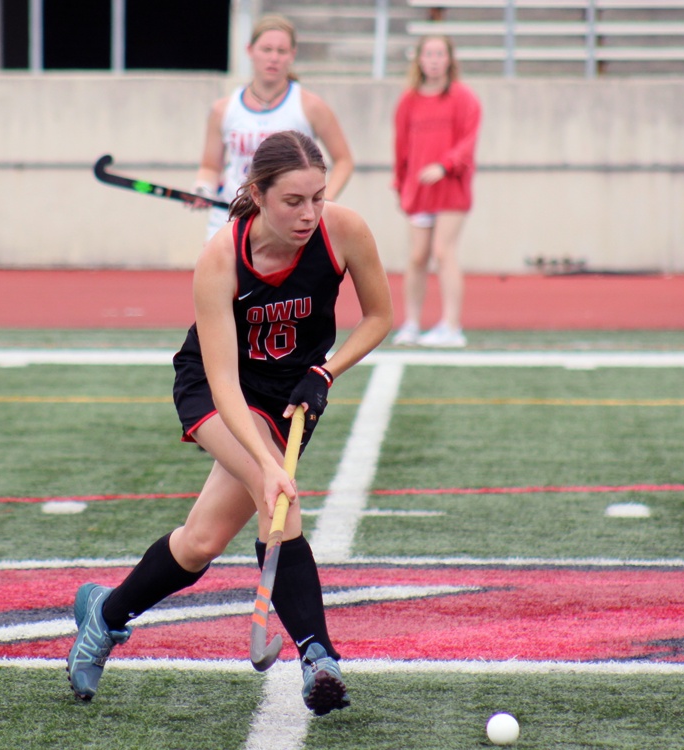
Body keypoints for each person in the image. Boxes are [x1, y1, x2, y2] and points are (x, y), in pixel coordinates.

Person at [68, 131, 392, 716]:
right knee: (278, 501)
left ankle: (105, 613)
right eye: (293, 201)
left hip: (291, 390)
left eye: (317, 198)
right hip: (220, 391)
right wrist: (266, 464)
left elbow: (379, 316)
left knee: (200, 543)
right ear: (258, 194)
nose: (309, 214)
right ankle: (320, 657)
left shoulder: (343, 230)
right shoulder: (221, 258)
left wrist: (326, 372)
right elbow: (222, 382)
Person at [193, 14, 354, 242]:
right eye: (266, 49)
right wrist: (203, 189)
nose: (273, 58)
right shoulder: (223, 109)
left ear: (292, 55)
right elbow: (210, 166)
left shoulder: (310, 106)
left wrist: (322, 200)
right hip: (231, 217)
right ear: (249, 50)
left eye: (281, 51)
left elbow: (344, 160)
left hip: (285, 222)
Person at [391, 34, 481, 348]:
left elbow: (467, 143)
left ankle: (451, 326)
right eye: (428, 53)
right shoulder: (408, 101)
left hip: (451, 189)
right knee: (417, 257)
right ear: (419, 59)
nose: (433, 59)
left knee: (444, 251)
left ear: (449, 59)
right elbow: (401, 147)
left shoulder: (463, 97)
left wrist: (444, 166)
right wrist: (400, 184)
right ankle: (412, 324)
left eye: (440, 54)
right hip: (420, 193)